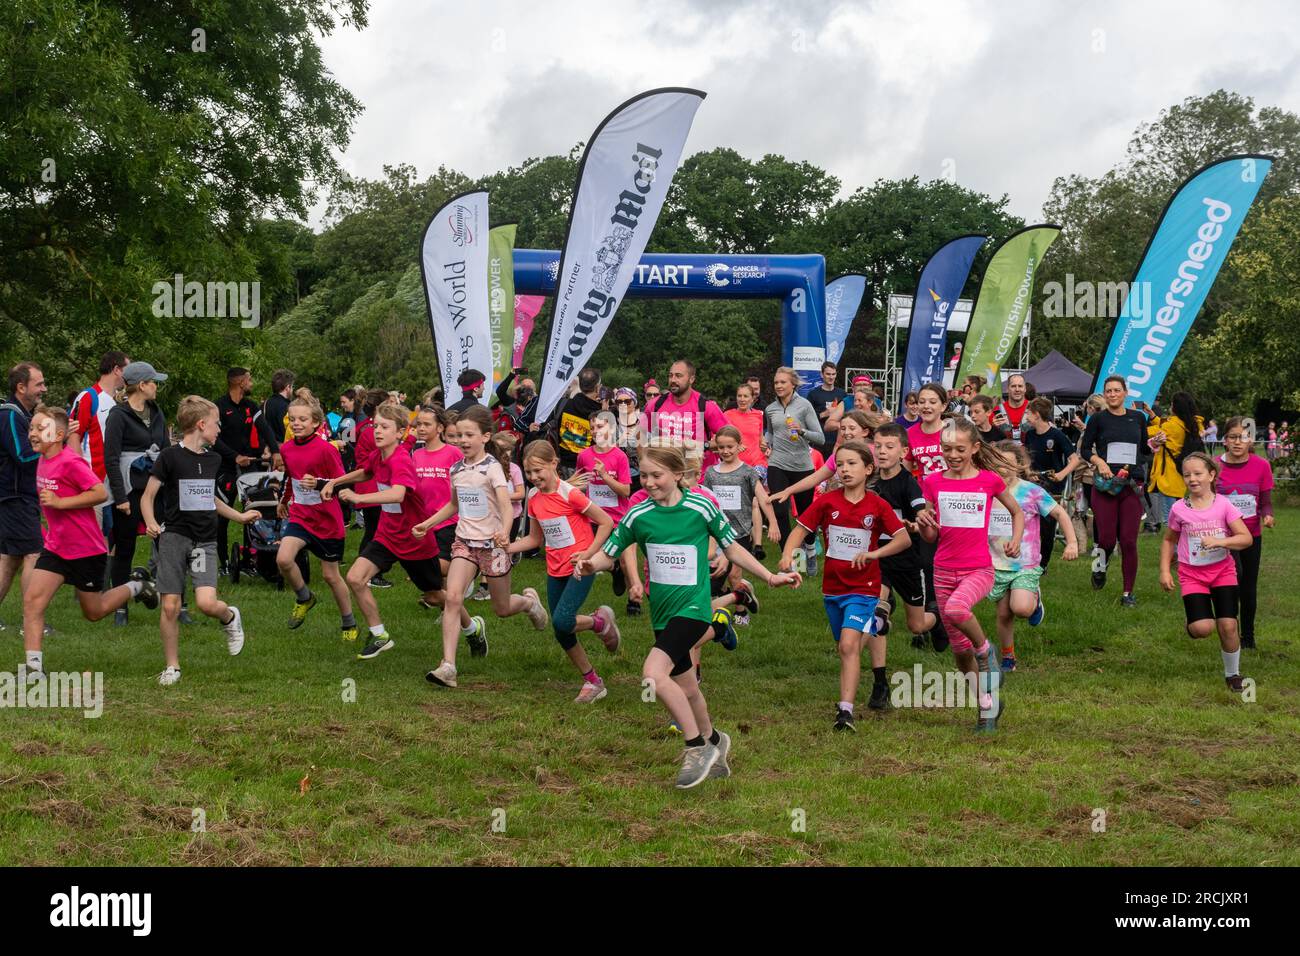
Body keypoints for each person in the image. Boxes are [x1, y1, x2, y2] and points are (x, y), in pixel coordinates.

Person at [574, 444, 801, 789]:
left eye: (656, 475)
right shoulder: (639, 514)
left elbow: (731, 546)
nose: (648, 482)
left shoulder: (700, 506)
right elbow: (611, 552)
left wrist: (768, 576)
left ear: (678, 475)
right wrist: (592, 563)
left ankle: (695, 747)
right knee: (688, 687)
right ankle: (714, 741)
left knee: (652, 674)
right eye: (644, 475)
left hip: (695, 609)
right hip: (662, 614)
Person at [324, 402, 483, 662]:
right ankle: (379, 635)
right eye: (376, 426)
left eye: (384, 427)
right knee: (354, 577)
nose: (377, 431)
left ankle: (472, 628)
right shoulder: (379, 455)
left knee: (436, 595)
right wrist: (336, 480)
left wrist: (359, 499)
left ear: (400, 433)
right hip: (388, 535)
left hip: (415, 539)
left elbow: (398, 494)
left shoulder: (400, 460)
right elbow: (367, 472)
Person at [780, 440, 911, 731]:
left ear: (868, 468)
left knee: (849, 646)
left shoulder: (877, 505)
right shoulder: (827, 502)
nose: (844, 469)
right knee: (845, 645)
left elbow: (904, 538)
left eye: (852, 464)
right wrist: (788, 555)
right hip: (833, 589)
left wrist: (875, 553)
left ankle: (846, 712)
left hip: (864, 588)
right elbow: (800, 529)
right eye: (840, 464)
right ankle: (876, 623)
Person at [415, 405, 548, 688]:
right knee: (453, 598)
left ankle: (528, 603)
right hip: (464, 541)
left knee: (501, 608)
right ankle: (448, 666)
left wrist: (504, 532)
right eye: (459, 435)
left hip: (493, 545)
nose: (462, 440)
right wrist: (428, 524)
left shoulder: (492, 469)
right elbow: (453, 504)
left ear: (485, 436)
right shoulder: (456, 469)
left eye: (469, 435)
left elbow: (504, 502)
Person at [21, 406, 158, 674]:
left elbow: (98, 493)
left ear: (57, 435)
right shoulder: (43, 459)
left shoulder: (70, 463)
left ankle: (137, 586)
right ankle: (33, 669)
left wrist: (61, 503)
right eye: (31, 428)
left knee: (94, 612)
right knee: (32, 602)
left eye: (40, 428)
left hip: (86, 550)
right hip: (57, 548)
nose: (33, 434)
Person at [914, 418, 1022, 733]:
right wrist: (924, 524)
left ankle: (986, 652)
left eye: (960, 448)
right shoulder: (933, 482)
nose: (953, 454)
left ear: (975, 448)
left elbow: (1016, 511)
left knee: (957, 610)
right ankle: (987, 707)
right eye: (947, 448)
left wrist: (1015, 539)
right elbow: (932, 538)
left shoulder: (989, 481)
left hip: (978, 568)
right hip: (943, 570)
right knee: (959, 653)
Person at [141, 396, 257, 685]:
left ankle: (229, 617)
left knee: (206, 603)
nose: (220, 429)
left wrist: (239, 517)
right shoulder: (169, 457)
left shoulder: (214, 458)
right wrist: (151, 522)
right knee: (170, 605)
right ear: (201, 424)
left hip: (204, 541)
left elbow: (211, 499)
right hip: (174, 538)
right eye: (217, 424)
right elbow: (148, 497)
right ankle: (172, 667)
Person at [506, 440, 619, 702]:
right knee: (560, 630)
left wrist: (589, 554)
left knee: (562, 621)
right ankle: (593, 681)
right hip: (555, 568)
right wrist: (507, 547)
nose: (533, 477)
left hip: (581, 566)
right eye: (529, 472)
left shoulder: (570, 494)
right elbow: (535, 540)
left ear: (554, 464)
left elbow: (606, 522)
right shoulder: (533, 498)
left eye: (538, 471)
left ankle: (599, 623)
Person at [1160, 453, 1253, 695]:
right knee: (1203, 629)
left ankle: (1233, 675)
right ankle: (1192, 625)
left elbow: (1246, 538)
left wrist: (1222, 542)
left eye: (1198, 473)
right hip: (1192, 575)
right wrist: (1164, 571)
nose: (1192, 478)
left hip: (1223, 572)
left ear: (1211, 475)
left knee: (1229, 625)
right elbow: (1169, 540)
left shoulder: (1224, 505)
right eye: (1187, 474)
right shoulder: (1179, 509)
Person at [987, 442, 1079, 671]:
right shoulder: (986, 490)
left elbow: (1059, 513)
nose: (1002, 469)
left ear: (1019, 465)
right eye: (997, 463)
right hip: (995, 562)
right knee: (1003, 612)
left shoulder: (1030, 491)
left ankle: (1034, 600)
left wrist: (1072, 542)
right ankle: (1008, 657)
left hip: (1025, 564)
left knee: (1020, 608)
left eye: (1007, 463)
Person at [275, 392, 356, 641]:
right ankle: (304, 597)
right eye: (292, 419)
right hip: (301, 514)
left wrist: (320, 483)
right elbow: (292, 477)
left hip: (326, 519)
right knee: (284, 559)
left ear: (316, 423)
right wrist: (284, 499)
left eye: (302, 419)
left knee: (331, 576)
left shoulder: (326, 450)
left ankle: (349, 623)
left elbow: (342, 483)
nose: (297, 423)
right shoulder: (286, 449)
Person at [103, 361, 170, 626]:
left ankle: (175, 603)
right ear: (141, 385)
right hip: (129, 489)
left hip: (155, 488)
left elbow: (165, 449)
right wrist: (119, 497)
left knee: (166, 545)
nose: (156, 386)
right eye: (153, 382)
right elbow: (111, 458)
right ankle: (120, 607)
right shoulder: (118, 415)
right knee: (125, 547)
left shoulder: (156, 412)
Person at [869, 424, 944, 650]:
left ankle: (936, 616)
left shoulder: (908, 483)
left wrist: (915, 523)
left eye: (889, 447)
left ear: (903, 452)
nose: (882, 451)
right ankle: (881, 612)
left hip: (907, 559)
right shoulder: (870, 480)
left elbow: (919, 508)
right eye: (878, 446)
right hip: (878, 554)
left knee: (917, 626)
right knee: (876, 600)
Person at [1080, 375, 1149, 607]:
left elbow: (1146, 451)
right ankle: (1099, 568)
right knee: (1107, 540)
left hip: (1131, 485)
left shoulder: (1138, 418)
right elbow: (1085, 450)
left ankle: (1128, 592)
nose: (1112, 394)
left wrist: (1154, 448)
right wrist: (1099, 462)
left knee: (1128, 541)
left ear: (1125, 392)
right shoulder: (1097, 419)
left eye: (1116, 390)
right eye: (1108, 391)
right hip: (1105, 485)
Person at [702, 425, 780, 621]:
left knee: (733, 573)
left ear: (739, 446)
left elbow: (763, 498)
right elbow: (705, 499)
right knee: (720, 577)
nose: (725, 451)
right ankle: (740, 597)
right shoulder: (711, 473)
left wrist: (773, 522)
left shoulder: (748, 472)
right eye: (721, 447)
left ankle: (740, 611)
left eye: (730, 446)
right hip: (716, 533)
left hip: (740, 532)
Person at [214, 367, 281, 573]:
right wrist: (234, 456)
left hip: (250, 467)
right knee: (222, 517)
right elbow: (213, 438)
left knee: (252, 512)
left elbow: (266, 429)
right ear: (240, 382)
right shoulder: (218, 406)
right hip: (225, 467)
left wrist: (276, 452)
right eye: (249, 380)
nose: (251, 383)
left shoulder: (251, 406)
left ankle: (250, 559)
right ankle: (224, 562)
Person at [1215, 417, 1274, 649]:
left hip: (1251, 536)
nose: (1238, 442)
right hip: (1224, 538)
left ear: (1251, 440)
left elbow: (1266, 502)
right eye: (1233, 437)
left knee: (1248, 586)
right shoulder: (1214, 466)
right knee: (1234, 579)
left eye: (1244, 437)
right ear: (1225, 440)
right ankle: (1229, 630)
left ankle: (1247, 637)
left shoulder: (1262, 466)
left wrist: (1267, 515)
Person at [0, 363, 48, 629]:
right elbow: (23, 456)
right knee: (34, 554)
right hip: (14, 498)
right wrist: (53, 445)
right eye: (39, 384)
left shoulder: (22, 415)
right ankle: (31, 619)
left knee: (8, 559)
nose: (44, 388)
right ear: (21, 387)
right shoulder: (9, 415)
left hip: (19, 498)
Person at [761, 366, 824, 546]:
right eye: (776, 382)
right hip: (777, 463)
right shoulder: (771, 409)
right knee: (780, 511)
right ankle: (790, 557)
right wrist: (766, 441)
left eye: (783, 382)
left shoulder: (804, 405)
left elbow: (820, 437)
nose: (778, 386)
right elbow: (772, 433)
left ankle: (810, 545)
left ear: (793, 384)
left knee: (805, 514)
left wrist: (801, 431)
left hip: (802, 466)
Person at [71, 350, 129, 532]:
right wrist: (82, 479)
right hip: (91, 484)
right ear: (117, 369)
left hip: (111, 487)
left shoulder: (118, 402)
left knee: (107, 540)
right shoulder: (89, 397)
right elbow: (73, 437)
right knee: (91, 542)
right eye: (128, 368)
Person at [1021, 397, 1080, 571]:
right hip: (1033, 483)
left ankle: (1043, 564)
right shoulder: (1030, 434)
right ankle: (1028, 558)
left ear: (1037, 415)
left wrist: (1061, 475)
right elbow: (1025, 455)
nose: (1026, 415)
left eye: (1028, 412)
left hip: (1052, 485)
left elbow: (1074, 459)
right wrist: (1027, 471)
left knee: (1047, 526)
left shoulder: (1057, 435)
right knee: (1029, 522)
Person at [576, 413, 632, 594]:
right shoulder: (584, 455)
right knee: (592, 558)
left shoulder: (619, 456)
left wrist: (605, 476)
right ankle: (613, 569)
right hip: (594, 518)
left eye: (600, 427)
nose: (595, 431)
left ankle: (634, 599)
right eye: (592, 428)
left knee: (626, 562)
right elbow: (580, 484)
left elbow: (625, 491)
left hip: (618, 518)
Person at [411, 405, 464, 581]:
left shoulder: (453, 453)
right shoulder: (417, 454)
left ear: (440, 428)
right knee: (436, 577)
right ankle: (448, 601)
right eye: (419, 424)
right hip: (425, 520)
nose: (421, 428)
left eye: (427, 424)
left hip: (448, 520)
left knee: (440, 566)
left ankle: (465, 575)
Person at [641, 360, 727, 465]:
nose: (673, 380)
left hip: (698, 477)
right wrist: (644, 463)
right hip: (665, 474)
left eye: (678, 376)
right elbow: (640, 435)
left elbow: (730, 438)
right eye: (670, 375)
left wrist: (703, 446)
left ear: (691, 379)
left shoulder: (705, 406)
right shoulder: (655, 404)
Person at [1146, 392, 1205, 527]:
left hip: (1167, 476)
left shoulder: (1171, 426)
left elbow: (1149, 431)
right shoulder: (1193, 423)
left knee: (1171, 520)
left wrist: (1132, 418)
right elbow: (1164, 425)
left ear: (1176, 407)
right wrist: (1152, 415)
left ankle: (1177, 548)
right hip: (1180, 473)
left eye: (1172, 404)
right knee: (1178, 514)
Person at [555, 367, 605, 474]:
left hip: (562, 465)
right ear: (597, 388)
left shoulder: (563, 404)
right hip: (589, 468)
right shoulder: (601, 414)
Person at [806, 361, 847, 458]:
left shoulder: (842, 394)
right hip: (819, 440)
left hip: (837, 440)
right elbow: (807, 417)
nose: (831, 377)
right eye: (828, 374)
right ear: (822, 374)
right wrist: (825, 414)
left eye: (833, 374)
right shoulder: (813, 394)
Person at [995, 373, 1031, 441]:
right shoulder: (997, 410)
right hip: (1005, 450)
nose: (1017, 389)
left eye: (1020, 386)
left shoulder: (1035, 408)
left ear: (1025, 389)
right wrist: (993, 428)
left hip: (1030, 450)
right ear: (1007, 389)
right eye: (1013, 386)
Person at [264, 369, 295, 442]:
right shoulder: (288, 407)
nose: (292, 390)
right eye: (292, 387)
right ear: (287, 388)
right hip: (284, 449)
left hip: (268, 449)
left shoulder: (264, 404)